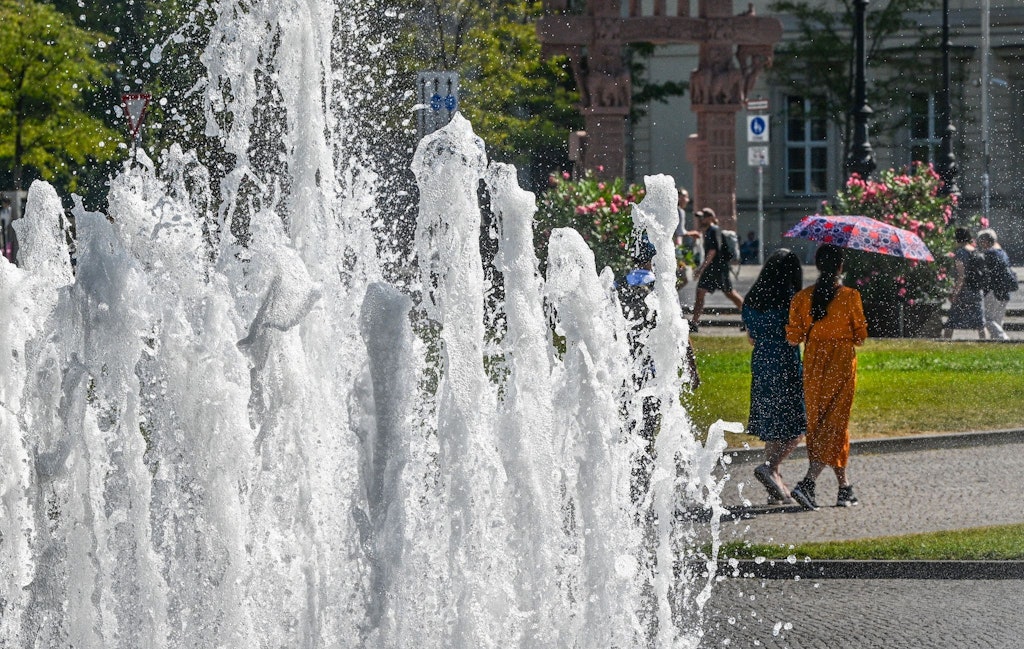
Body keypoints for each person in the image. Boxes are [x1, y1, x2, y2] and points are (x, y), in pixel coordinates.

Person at [786, 244, 868, 510]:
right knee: (836, 422)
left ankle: (845, 488)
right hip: (841, 362)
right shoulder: (850, 296)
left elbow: (793, 336)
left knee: (821, 423)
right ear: (841, 267)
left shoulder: (801, 298)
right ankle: (808, 483)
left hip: (813, 363)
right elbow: (860, 337)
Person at [742, 249, 805, 505]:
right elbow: (795, 336)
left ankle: (775, 483)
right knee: (797, 424)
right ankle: (771, 467)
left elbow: (751, 337)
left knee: (773, 425)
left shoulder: (751, 299)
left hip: (762, 364)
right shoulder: (791, 300)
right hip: (786, 363)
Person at [690, 208, 743, 332]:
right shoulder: (708, 231)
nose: (700, 220)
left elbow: (712, 251)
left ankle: (749, 319)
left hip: (718, 268)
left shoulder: (713, 231)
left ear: (710, 218)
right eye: (699, 217)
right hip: (712, 268)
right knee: (700, 293)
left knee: (730, 293)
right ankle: (694, 322)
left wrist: (701, 269)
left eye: (702, 217)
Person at [942, 228, 986, 339]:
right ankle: (985, 342)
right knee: (980, 322)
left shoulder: (960, 253)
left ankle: (945, 344)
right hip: (976, 290)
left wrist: (955, 293)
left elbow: (961, 276)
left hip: (964, 292)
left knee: (952, 319)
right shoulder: (975, 251)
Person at [977, 228, 1016, 341]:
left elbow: (986, 274)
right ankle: (997, 342)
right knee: (997, 320)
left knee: (987, 319)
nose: (979, 244)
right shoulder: (1001, 252)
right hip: (1005, 291)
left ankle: (1003, 338)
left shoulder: (989, 254)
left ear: (985, 241)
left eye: (981, 241)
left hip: (993, 292)